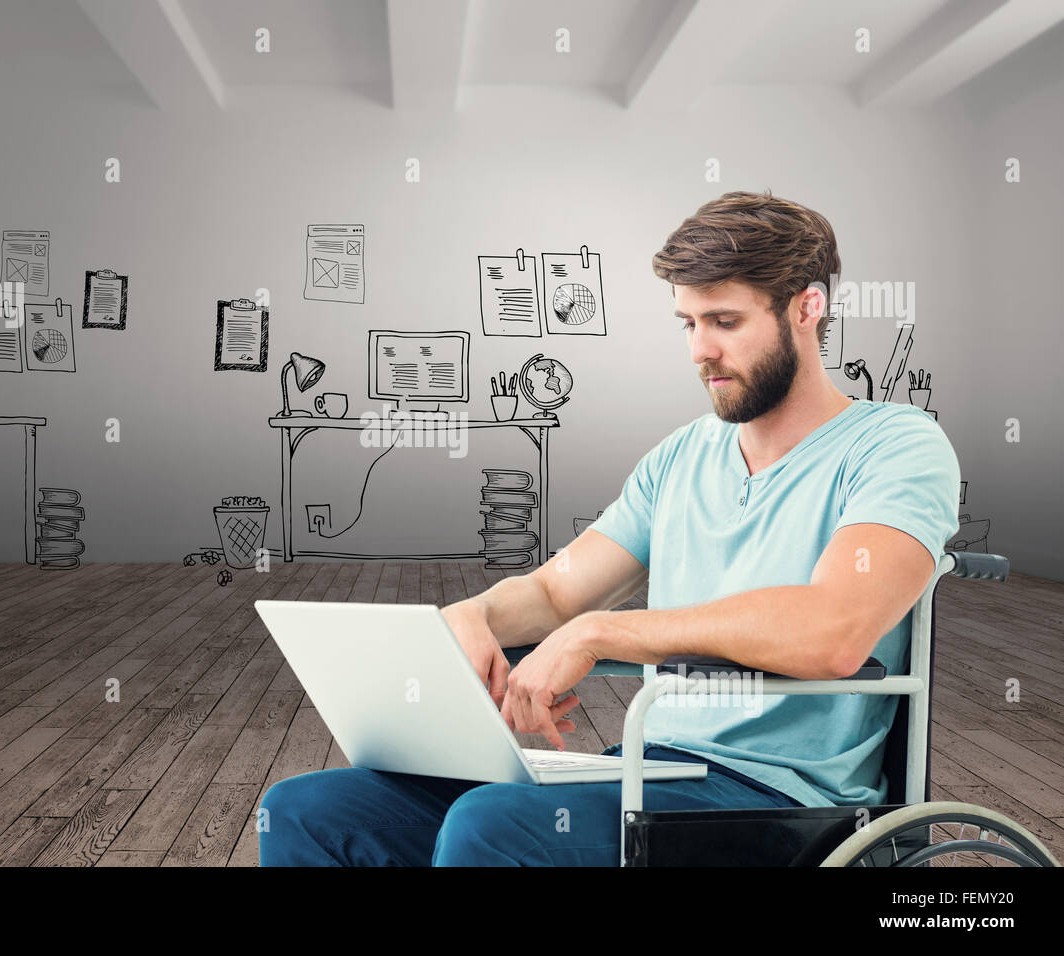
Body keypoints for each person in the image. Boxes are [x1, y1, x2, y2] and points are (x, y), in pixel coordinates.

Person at [258, 189, 961, 866]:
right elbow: (561, 593)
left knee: (495, 828)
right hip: (649, 773)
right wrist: (476, 614)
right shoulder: (683, 456)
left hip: (782, 804)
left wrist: (601, 633)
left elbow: (833, 631)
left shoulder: (897, 446)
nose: (699, 350)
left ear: (808, 307)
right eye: (688, 324)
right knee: (309, 811)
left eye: (724, 321)